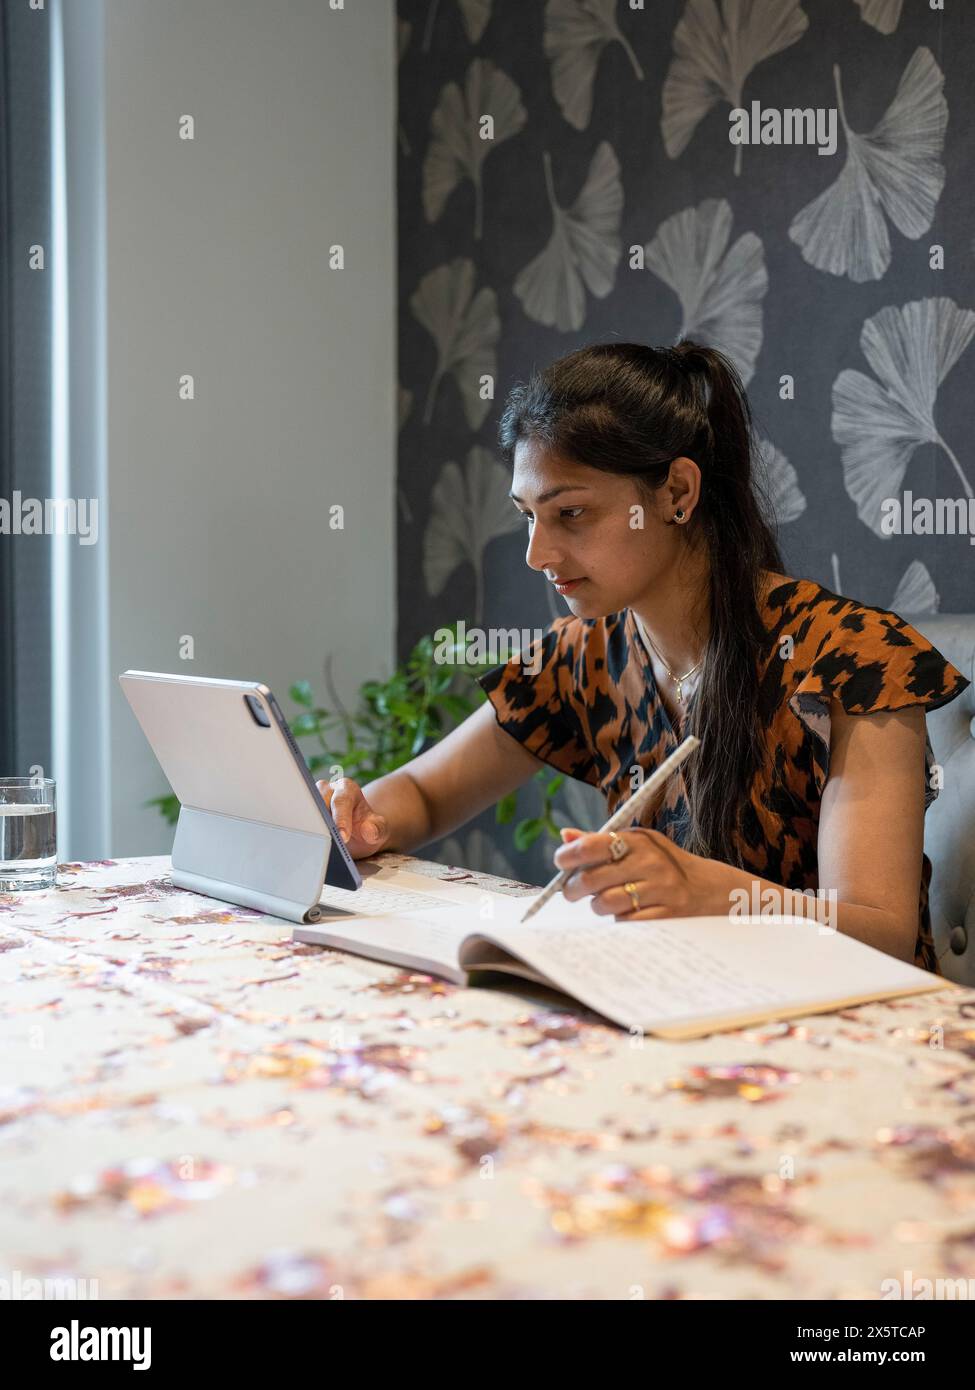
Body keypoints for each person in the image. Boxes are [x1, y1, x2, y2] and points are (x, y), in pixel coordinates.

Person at [317, 340, 971, 973]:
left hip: (857, 1038)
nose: (537, 554)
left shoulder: (852, 656)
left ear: (676, 495)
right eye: (527, 515)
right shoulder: (584, 657)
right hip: (679, 1005)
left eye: (570, 513)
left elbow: (878, 930)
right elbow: (425, 796)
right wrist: (360, 819)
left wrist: (711, 892)